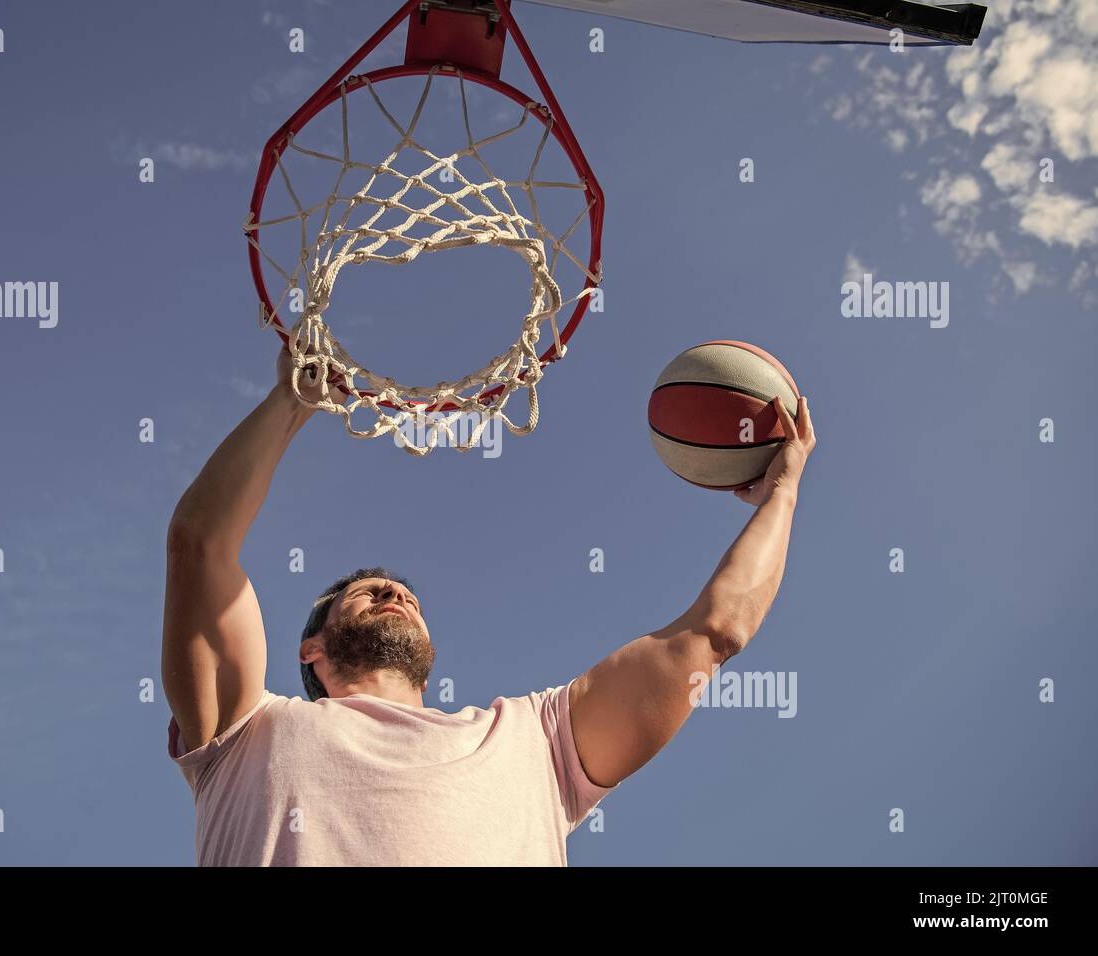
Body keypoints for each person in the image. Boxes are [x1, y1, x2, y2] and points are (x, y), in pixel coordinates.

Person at [162, 346, 816, 865]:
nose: (395, 593)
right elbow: (200, 544)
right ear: (310, 648)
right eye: (365, 593)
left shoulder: (539, 743)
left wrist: (783, 490)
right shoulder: (244, 732)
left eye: (407, 596)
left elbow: (715, 631)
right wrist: (292, 402)